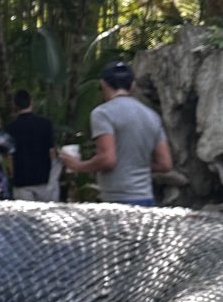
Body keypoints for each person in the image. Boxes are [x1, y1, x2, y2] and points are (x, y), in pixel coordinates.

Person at [61, 60, 171, 206]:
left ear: (103, 84)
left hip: (117, 199)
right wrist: (136, 165)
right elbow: (165, 164)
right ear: (132, 85)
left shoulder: (103, 113)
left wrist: (78, 166)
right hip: (146, 197)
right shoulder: (152, 116)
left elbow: (108, 159)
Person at [6, 89, 57, 203]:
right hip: (44, 179)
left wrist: (12, 175)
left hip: (21, 181)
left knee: (26, 219)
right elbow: (52, 151)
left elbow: (10, 156)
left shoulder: (11, 127)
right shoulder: (45, 124)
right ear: (31, 102)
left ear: (15, 105)